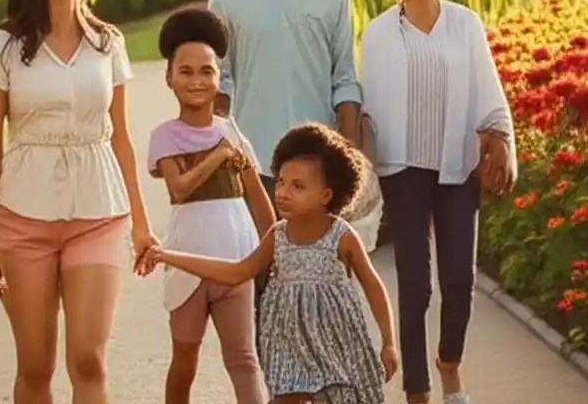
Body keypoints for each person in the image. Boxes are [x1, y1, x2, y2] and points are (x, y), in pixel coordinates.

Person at [0, 0, 158, 404]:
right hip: (22, 218)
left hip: (99, 215)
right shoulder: (1, 46)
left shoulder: (108, 42)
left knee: (89, 360)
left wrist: (141, 223)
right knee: (35, 366)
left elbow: (121, 137)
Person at [358, 0, 517, 404]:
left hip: (456, 166)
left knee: (459, 279)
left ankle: (449, 363)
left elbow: (488, 90)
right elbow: (371, 107)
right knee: (415, 284)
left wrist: (502, 139)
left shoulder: (465, 24)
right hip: (402, 169)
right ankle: (418, 390)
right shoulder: (378, 34)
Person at [144, 122, 398, 404]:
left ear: (326, 195)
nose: (283, 192)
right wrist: (167, 255)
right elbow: (236, 271)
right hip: (288, 351)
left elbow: (373, 285)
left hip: (335, 348)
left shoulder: (341, 237)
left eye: (298, 186)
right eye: (280, 182)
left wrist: (389, 341)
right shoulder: (277, 237)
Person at [146, 6, 275, 404]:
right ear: (169, 77)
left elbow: (258, 198)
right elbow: (180, 188)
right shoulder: (165, 136)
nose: (197, 81)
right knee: (185, 360)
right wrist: (218, 156)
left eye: (206, 71)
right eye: (185, 72)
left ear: (219, 77)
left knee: (244, 359)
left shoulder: (232, 131)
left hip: (237, 261)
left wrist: (273, 249)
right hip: (188, 263)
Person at [207, 0, 362, 202]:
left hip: (318, 165)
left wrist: (350, 156)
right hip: (251, 165)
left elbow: (345, 80)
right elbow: (219, 82)